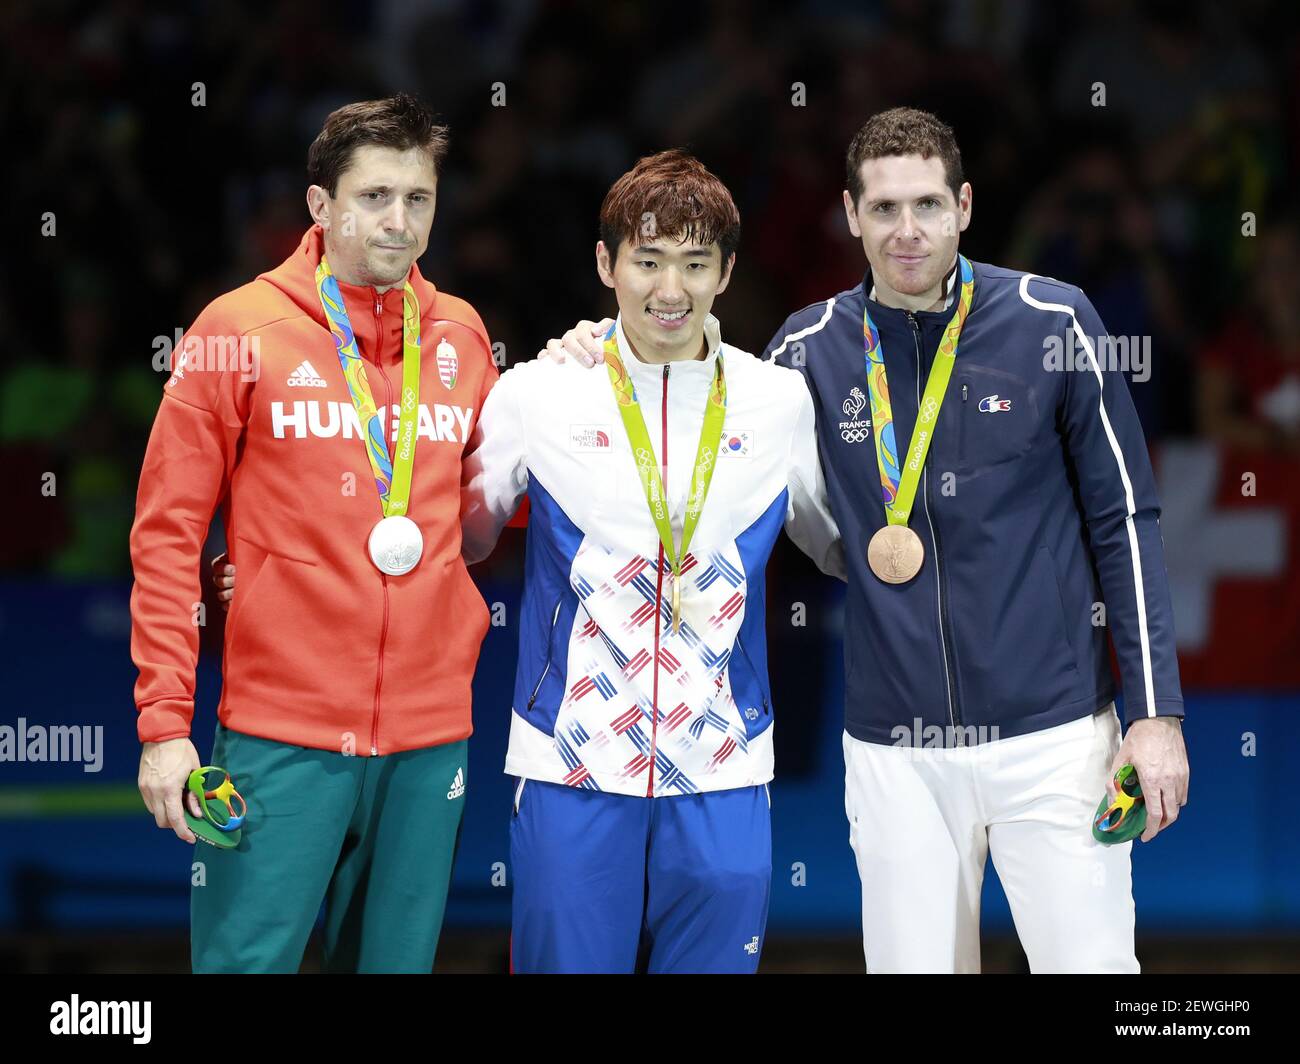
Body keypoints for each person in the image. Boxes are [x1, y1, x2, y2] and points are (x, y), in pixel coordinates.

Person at [546, 108, 1190, 974]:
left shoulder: (1052, 322)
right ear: (851, 214)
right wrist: (593, 351)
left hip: (1056, 734)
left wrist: (1153, 716)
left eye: (927, 205)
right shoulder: (803, 354)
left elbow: (1126, 520)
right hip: (895, 752)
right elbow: (688, 407)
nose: (907, 232)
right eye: (883, 210)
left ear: (964, 205)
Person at [131, 94, 497, 973]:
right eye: (374, 197)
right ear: (320, 206)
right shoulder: (234, 332)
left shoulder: (464, 336)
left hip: (428, 737)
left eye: (418, 197)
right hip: (279, 733)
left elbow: (498, 505)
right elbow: (169, 535)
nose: (399, 222)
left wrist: (586, 380)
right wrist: (162, 724)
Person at [460, 150, 844, 973]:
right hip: (571, 759)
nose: (671, 290)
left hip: (723, 763)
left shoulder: (778, 402)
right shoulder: (537, 395)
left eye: (695, 263)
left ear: (727, 272)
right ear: (607, 264)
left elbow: (842, 549)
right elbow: (462, 538)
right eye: (648, 261)